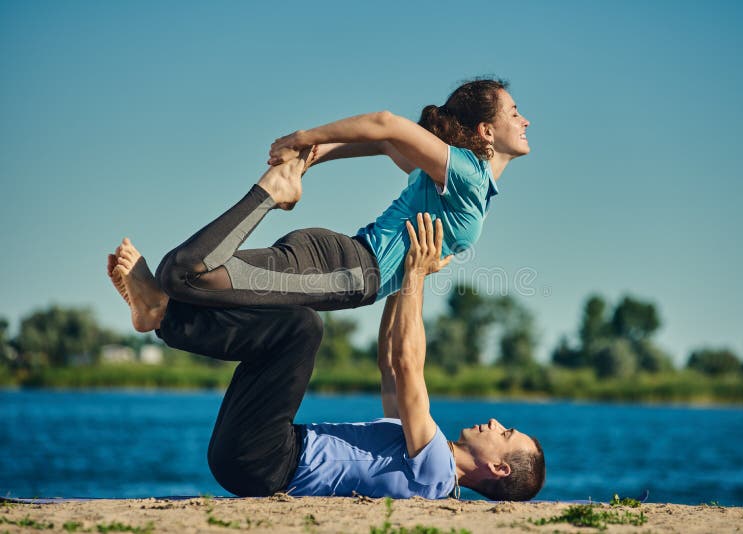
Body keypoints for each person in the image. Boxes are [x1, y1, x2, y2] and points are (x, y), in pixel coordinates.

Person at [107, 211, 546, 500]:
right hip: (255, 458)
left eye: (505, 434)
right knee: (281, 336)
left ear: (497, 469)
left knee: (302, 327)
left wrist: (415, 273)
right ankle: (165, 314)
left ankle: (164, 315)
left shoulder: (436, 471)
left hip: (266, 462)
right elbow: (392, 365)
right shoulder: (418, 449)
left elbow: (412, 366)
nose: (495, 423)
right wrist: (401, 279)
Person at [150, 79, 530, 317]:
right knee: (187, 275)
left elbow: (383, 142)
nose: (524, 120)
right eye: (514, 112)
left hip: (339, 262)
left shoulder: (447, 180)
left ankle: (155, 306)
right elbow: (385, 123)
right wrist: (304, 139)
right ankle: (271, 192)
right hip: (348, 270)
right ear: (486, 131)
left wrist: (313, 158)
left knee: (209, 292)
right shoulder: (468, 175)